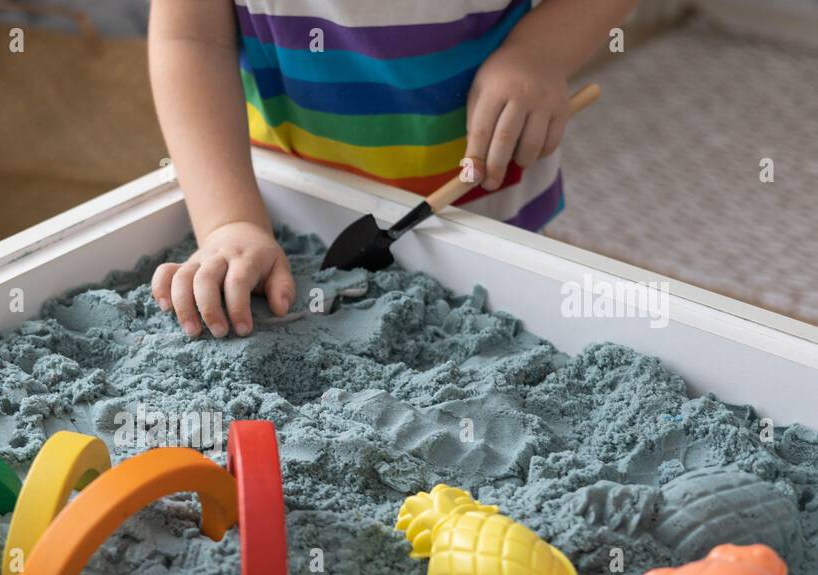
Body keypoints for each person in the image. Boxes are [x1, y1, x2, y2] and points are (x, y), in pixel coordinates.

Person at [148, 0, 637, 337]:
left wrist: (539, 53)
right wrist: (228, 221)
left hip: (485, 203)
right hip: (289, 203)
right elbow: (191, 36)